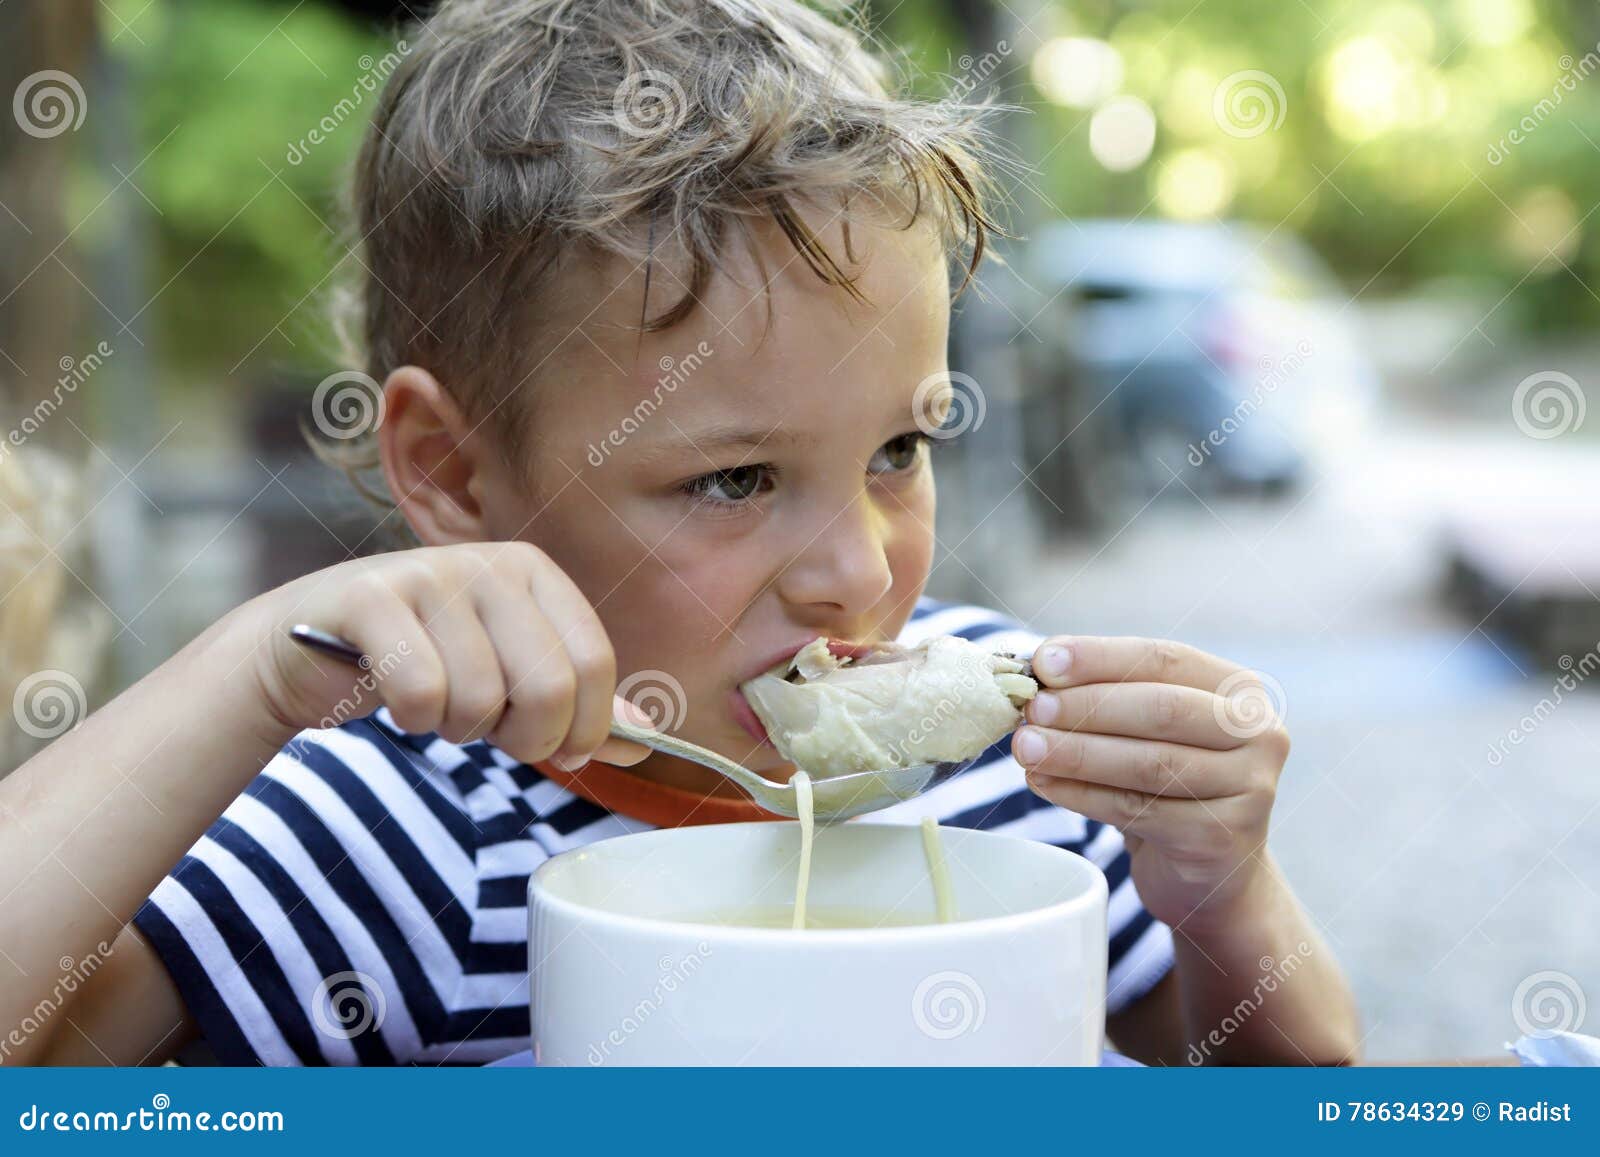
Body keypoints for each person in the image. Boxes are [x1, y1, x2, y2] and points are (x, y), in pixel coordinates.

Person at [0, 0, 1358, 1066]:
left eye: (899, 451)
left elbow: (1282, 1080)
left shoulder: (1014, 789)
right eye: (736, 479)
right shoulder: (398, 834)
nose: (860, 572)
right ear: (455, 475)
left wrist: (1218, 887)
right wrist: (249, 675)